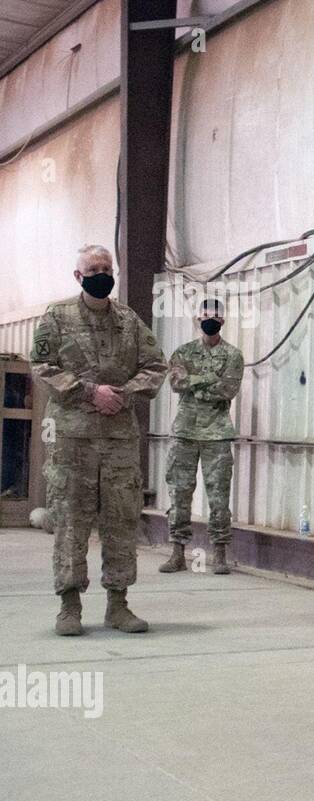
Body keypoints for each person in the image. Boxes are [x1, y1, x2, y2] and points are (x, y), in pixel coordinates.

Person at [30, 244, 167, 634]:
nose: (101, 273)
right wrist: (91, 392)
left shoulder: (128, 320)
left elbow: (156, 366)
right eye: (94, 268)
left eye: (107, 267)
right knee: (72, 520)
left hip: (119, 439)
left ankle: (118, 605)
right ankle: (69, 607)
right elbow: (42, 365)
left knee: (121, 519)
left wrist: (123, 393)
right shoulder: (57, 318)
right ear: (79, 276)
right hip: (73, 440)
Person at [159, 298, 245, 575]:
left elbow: (228, 390)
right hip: (184, 432)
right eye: (205, 315)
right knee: (179, 493)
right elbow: (175, 383)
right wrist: (208, 381)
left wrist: (195, 383)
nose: (209, 320)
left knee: (219, 496)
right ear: (198, 319)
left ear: (223, 320)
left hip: (217, 434)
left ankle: (219, 553)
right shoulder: (182, 352)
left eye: (215, 316)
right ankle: (177, 553)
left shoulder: (233, 356)